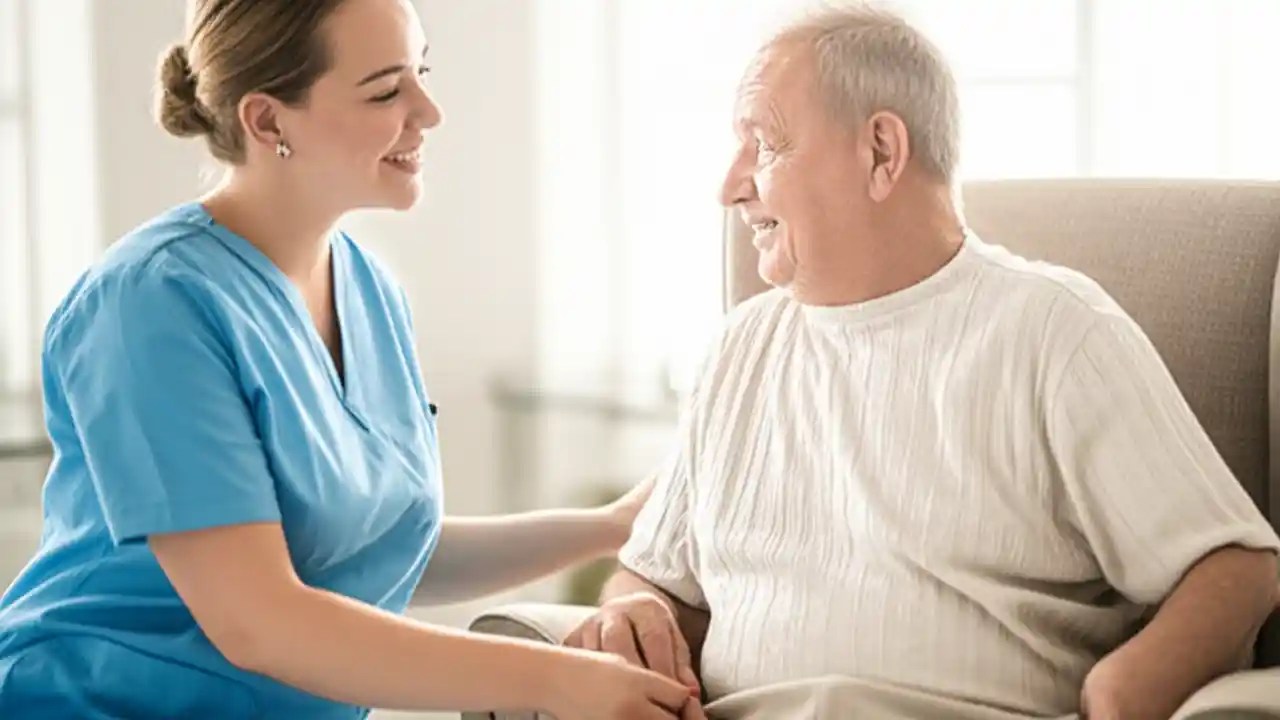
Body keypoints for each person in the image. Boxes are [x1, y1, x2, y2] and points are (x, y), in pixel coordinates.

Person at [564, 6, 1280, 720]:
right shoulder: (738, 348)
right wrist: (635, 611)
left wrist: (1124, 690)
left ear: (881, 151)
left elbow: (1238, 567)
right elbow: (654, 575)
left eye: (765, 145)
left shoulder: (1055, 331)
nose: (730, 186)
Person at [0, 0, 700, 718]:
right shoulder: (149, 305)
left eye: (420, 73)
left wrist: (615, 524)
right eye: (386, 89)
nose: (429, 111)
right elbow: (259, 621)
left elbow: (373, 550)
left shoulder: (369, 289)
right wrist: (556, 679)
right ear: (268, 121)